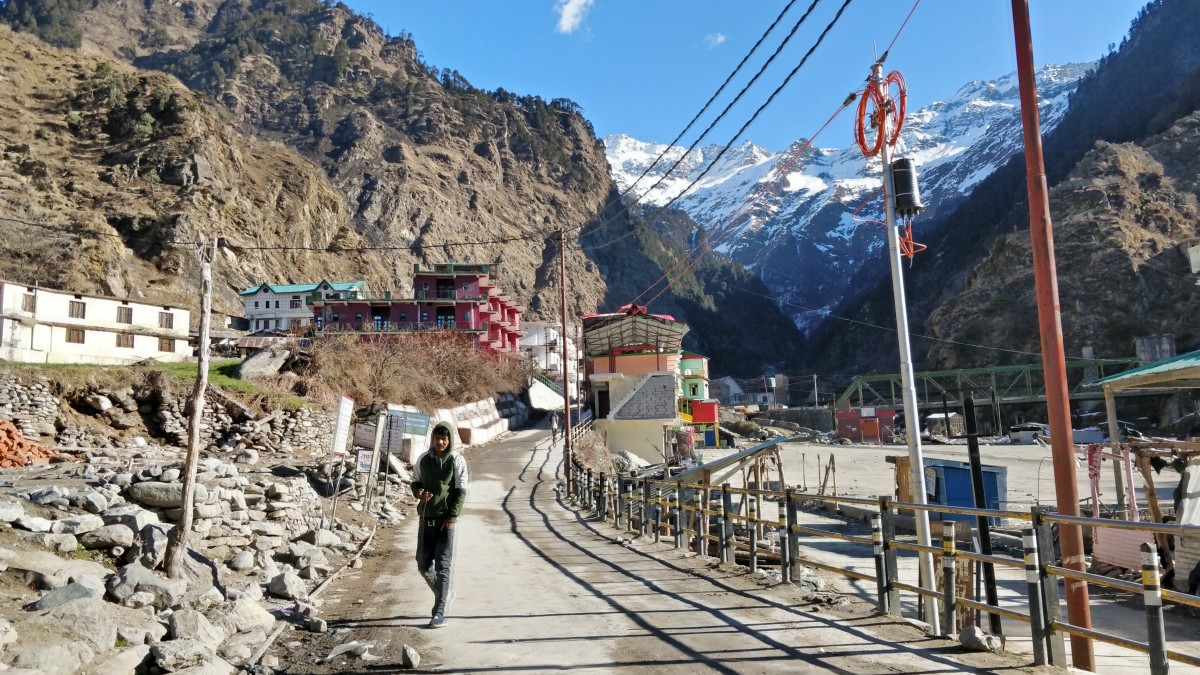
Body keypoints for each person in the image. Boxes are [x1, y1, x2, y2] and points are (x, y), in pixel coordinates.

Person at [410, 422, 469, 628]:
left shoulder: (457, 460)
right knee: (422, 565)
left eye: (444, 438)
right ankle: (445, 593)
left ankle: (440, 611)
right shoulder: (424, 460)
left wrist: (452, 518)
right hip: (426, 520)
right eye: (437, 438)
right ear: (433, 438)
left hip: (446, 523)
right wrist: (419, 493)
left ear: (450, 439)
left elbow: (461, 491)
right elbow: (415, 481)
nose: (440, 442)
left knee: (443, 567)